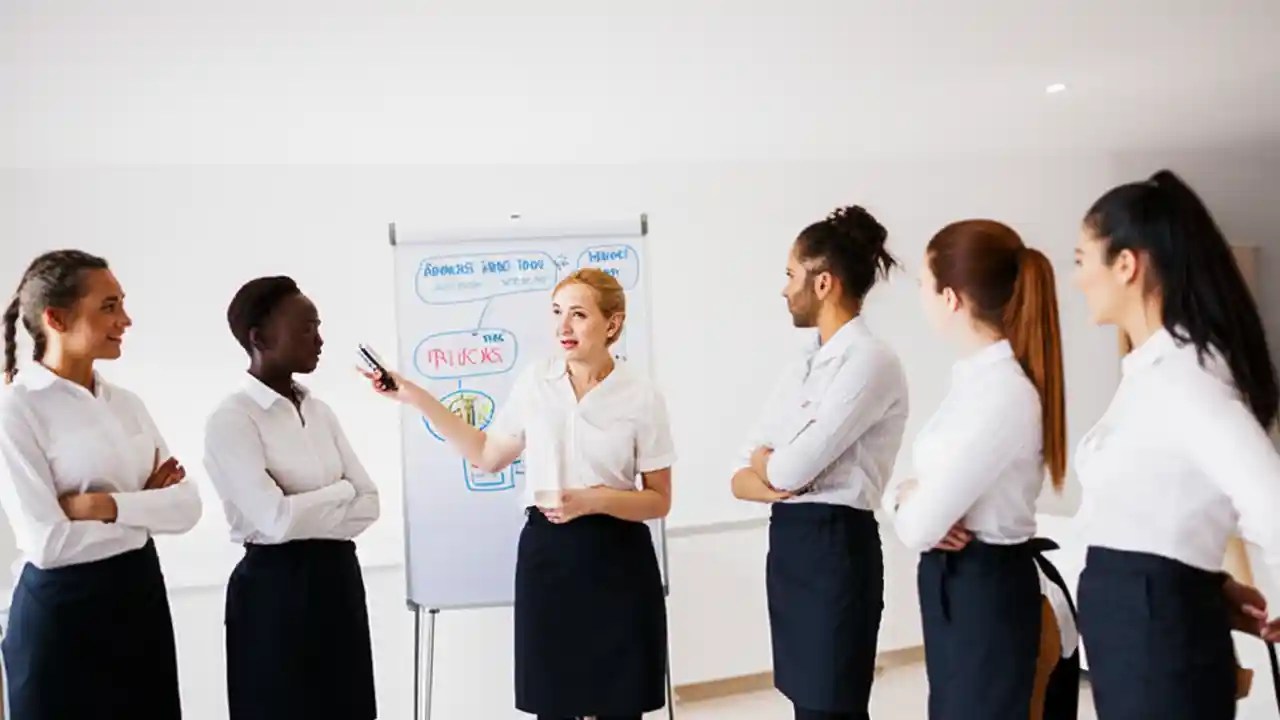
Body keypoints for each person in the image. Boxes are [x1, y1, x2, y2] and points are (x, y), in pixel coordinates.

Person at [361, 268, 675, 720]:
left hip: (618, 555)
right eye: (556, 313)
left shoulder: (641, 395)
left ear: (612, 323)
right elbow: (487, 455)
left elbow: (659, 500)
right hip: (549, 555)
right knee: (554, 703)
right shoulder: (535, 383)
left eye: (579, 314)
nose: (562, 327)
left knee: (620, 704)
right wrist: (416, 396)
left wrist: (593, 499)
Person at [1072, 169, 1280, 718]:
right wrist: (1203, 583)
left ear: (1125, 264)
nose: (1078, 278)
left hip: (1156, 637)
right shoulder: (1152, 370)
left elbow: (1271, 498)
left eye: (1081, 260)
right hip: (1144, 626)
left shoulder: (1184, 377)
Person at [885, 220, 1079, 720]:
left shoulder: (1003, 393)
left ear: (950, 298)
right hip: (962, 587)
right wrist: (906, 498)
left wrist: (910, 502)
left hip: (985, 589)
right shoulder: (975, 382)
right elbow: (911, 499)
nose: (922, 298)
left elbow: (920, 525)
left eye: (925, 285)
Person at [0, 249, 201, 719]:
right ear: (56, 318)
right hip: (60, 622)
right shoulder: (17, 410)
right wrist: (143, 511)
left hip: (139, 605)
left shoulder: (127, 403)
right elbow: (47, 542)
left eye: (122, 304)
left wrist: (98, 505)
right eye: (109, 306)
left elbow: (188, 507)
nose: (125, 319)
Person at [730, 205, 908, 720]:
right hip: (791, 548)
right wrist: (773, 468)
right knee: (806, 706)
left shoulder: (870, 361)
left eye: (790, 275)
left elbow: (782, 470)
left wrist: (771, 466)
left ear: (824, 282)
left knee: (832, 708)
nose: (784, 289)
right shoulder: (803, 364)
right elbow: (741, 471)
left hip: (836, 551)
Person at [203, 276, 380, 720]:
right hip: (273, 591)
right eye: (306, 328)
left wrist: (309, 505)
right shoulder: (232, 419)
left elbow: (370, 502)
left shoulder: (320, 410)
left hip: (338, 580)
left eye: (318, 326)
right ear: (259, 338)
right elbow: (275, 520)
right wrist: (339, 492)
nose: (319, 340)